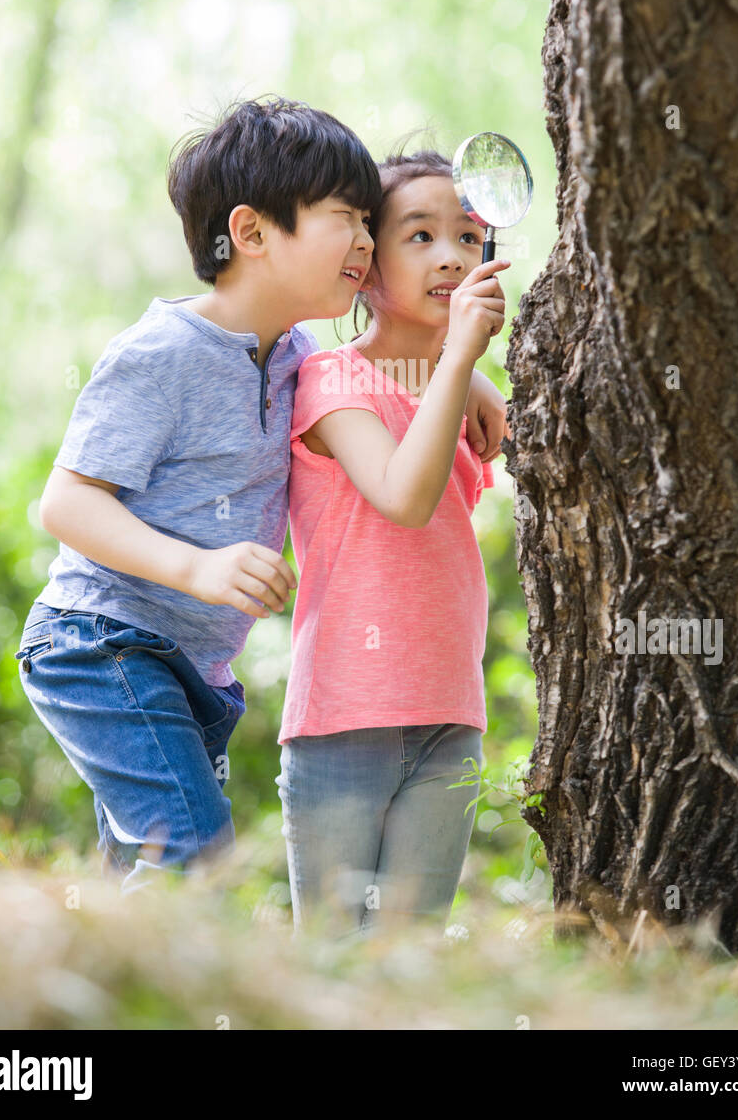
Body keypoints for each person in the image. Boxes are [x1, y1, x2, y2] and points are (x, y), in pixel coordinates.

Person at [14, 100, 507, 893]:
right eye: (346, 218)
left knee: (146, 867)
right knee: (192, 851)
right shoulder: (164, 350)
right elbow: (66, 505)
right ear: (250, 233)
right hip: (102, 642)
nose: (362, 241)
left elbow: (379, 361)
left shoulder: (299, 355)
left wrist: (466, 368)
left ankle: (111, 999)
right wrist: (198, 569)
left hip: (198, 667)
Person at [276, 146, 510, 936]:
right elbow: (405, 497)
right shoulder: (332, 382)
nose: (451, 256)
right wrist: (462, 362)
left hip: (451, 715)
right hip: (345, 719)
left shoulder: (471, 398)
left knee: (409, 968)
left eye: (470, 237)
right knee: (337, 968)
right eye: (419, 236)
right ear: (367, 266)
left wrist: (465, 369)